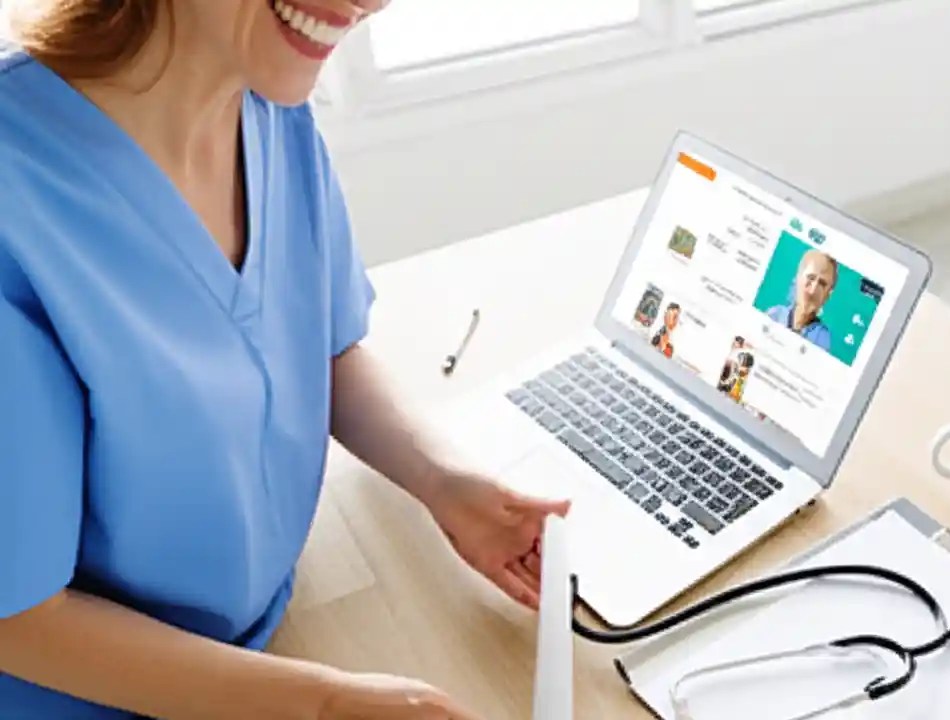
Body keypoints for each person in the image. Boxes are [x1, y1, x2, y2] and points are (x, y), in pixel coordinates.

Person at [0, 2, 569, 719]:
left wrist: (444, 483)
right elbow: (16, 617)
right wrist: (323, 705)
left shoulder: (271, 113)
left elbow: (320, 346)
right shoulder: (15, 208)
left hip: (271, 643)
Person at [766, 249, 838, 352]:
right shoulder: (774, 315)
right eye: (810, 278)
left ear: (827, 296)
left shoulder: (822, 338)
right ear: (798, 279)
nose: (813, 290)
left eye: (822, 284)